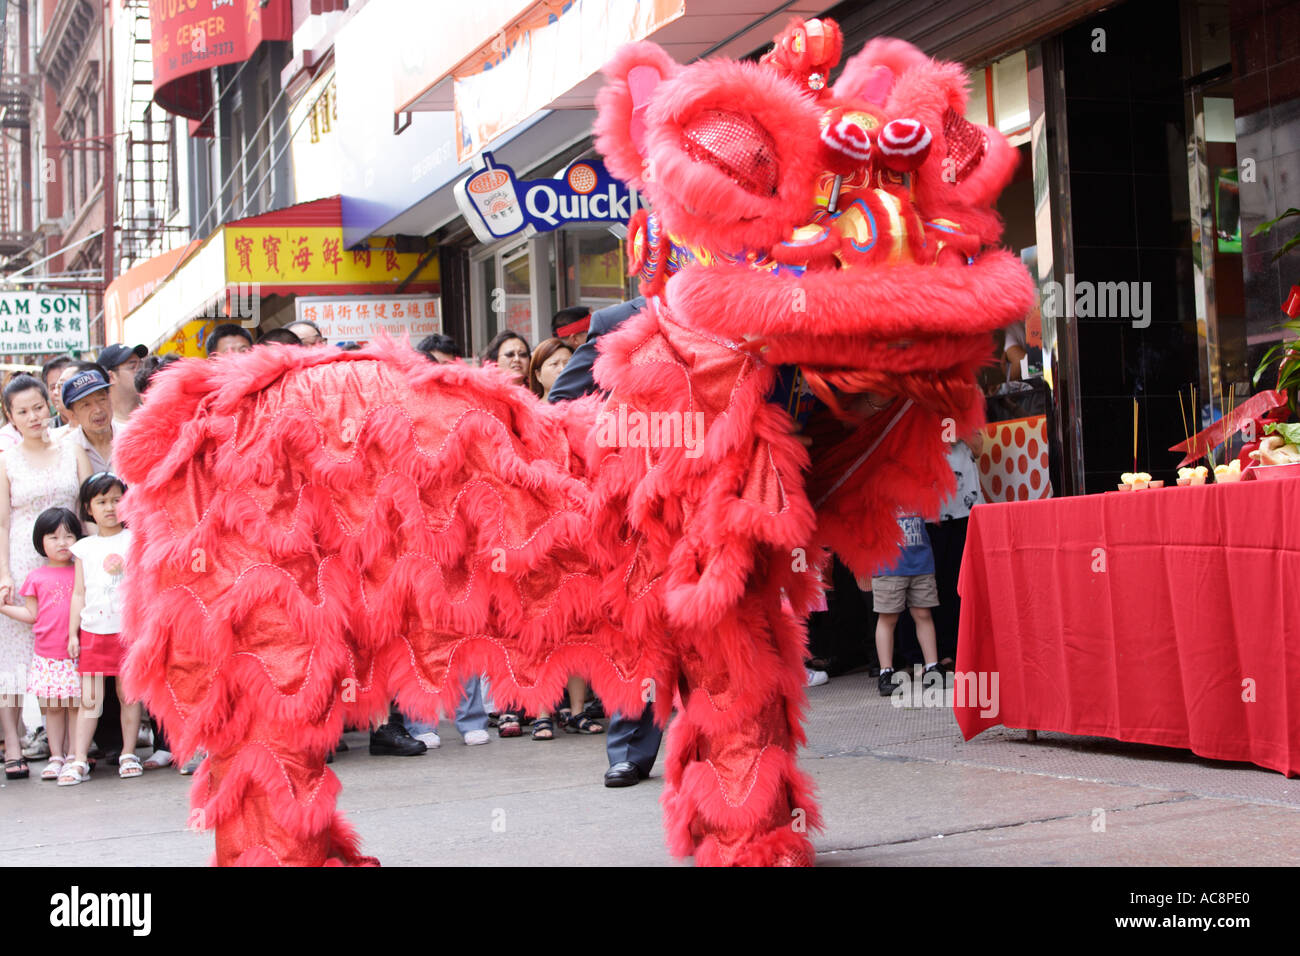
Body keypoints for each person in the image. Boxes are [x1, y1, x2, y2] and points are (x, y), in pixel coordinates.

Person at [546, 297, 661, 782]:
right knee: (641, 626)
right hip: (633, 508)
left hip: (714, 494)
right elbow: (558, 410)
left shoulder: (731, 307)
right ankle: (630, 747)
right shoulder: (620, 321)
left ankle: (719, 749)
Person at [0, 376, 81, 780]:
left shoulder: (71, 450)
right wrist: (3, 573)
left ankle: (71, 745)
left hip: (67, 560)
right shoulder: (6, 459)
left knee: (67, 647)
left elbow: (83, 511)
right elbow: (0, 522)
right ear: (10, 417)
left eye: (37, 407)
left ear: (48, 406)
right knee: (14, 654)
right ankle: (13, 745)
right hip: (21, 560)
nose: (33, 416)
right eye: (22, 411)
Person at [59, 473, 139, 785]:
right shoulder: (83, 548)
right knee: (90, 700)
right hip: (93, 631)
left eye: (116, 500)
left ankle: (129, 753)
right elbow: (78, 593)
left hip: (127, 631)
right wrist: (72, 633)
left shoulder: (135, 540)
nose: (110, 507)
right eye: (101, 502)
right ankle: (79, 759)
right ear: (88, 508)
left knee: (128, 695)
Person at [0, 507, 83, 780]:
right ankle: (56, 755)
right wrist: (4, 608)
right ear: (40, 541)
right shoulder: (36, 577)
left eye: (68, 536)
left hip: (77, 653)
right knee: (53, 708)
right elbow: (31, 615)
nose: (62, 543)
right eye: (53, 537)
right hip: (46, 656)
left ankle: (74, 755)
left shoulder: (82, 572)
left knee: (75, 706)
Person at [861, 511, 944, 697]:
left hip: (921, 563)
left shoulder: (919, 490)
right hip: (888, 565)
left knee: (923, 614)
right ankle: (886, 671)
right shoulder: (877, 491)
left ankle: (932, 666)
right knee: (888, 618)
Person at [61, 366, 119, 478]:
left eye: (102, 399)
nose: (98, 410)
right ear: (73, 414)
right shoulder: (66, 450)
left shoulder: (131, 436)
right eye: (86, 405)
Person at [97, 344, 148, 423]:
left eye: (141, 365)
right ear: (111, 377)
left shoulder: (154, 415)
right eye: (133, 367)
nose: (141, 371)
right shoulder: (101, 423)